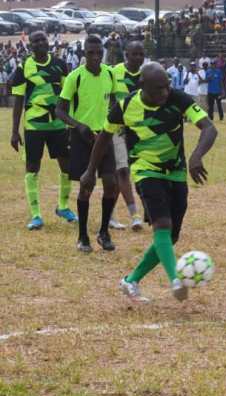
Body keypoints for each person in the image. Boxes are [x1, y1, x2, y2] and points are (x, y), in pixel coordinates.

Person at [82, 63, 217, 303]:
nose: (164, 93)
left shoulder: (178, 99)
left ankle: (130, 280)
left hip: (175, 172)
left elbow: (209, 127)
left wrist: (196, 156)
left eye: (167, 87)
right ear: (142, 86)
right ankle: (176, 279)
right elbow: (103, 138)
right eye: (158, 89)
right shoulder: (124, 107)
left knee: (169, 237)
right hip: (146, 171)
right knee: (161, 225)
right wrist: (90, 171)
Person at [55, 35, 119, 253]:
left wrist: (115, 121)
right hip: (82, 138)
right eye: (90, 52)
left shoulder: (110, 74)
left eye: (98, 52)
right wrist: (78, 125)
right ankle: (83, 235)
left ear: (103, 53)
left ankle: (103, 232)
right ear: (84, 54)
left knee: (111, 183)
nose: (95, 56)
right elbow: (59, 109)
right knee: (86, 186)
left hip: (105, 136)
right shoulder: (75, 77)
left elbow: (115, 101)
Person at [9, 31, 75, 231]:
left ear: (48, 43)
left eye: (42, 40)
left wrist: (71, 124)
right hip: (33, 127)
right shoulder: (23, 68)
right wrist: (14, 131)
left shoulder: (60, 65)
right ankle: (36, 215)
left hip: (58, 126)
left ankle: (63, 207)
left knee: (67, 167)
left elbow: (68, 96)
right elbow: (18, 100)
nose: (39, 43)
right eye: (35, 41)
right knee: (32, 168)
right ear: (30, 46)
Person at [109, 40, 146, 232]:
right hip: (118, 129)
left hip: (140, 131)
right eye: (134, 54)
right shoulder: (114, 72)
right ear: (126, 55)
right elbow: (108, 100)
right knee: (122, 171)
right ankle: (135, 216)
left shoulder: (147, 74)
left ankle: (110, 215)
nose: (138, 58)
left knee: (136, 172)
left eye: (141, 54)